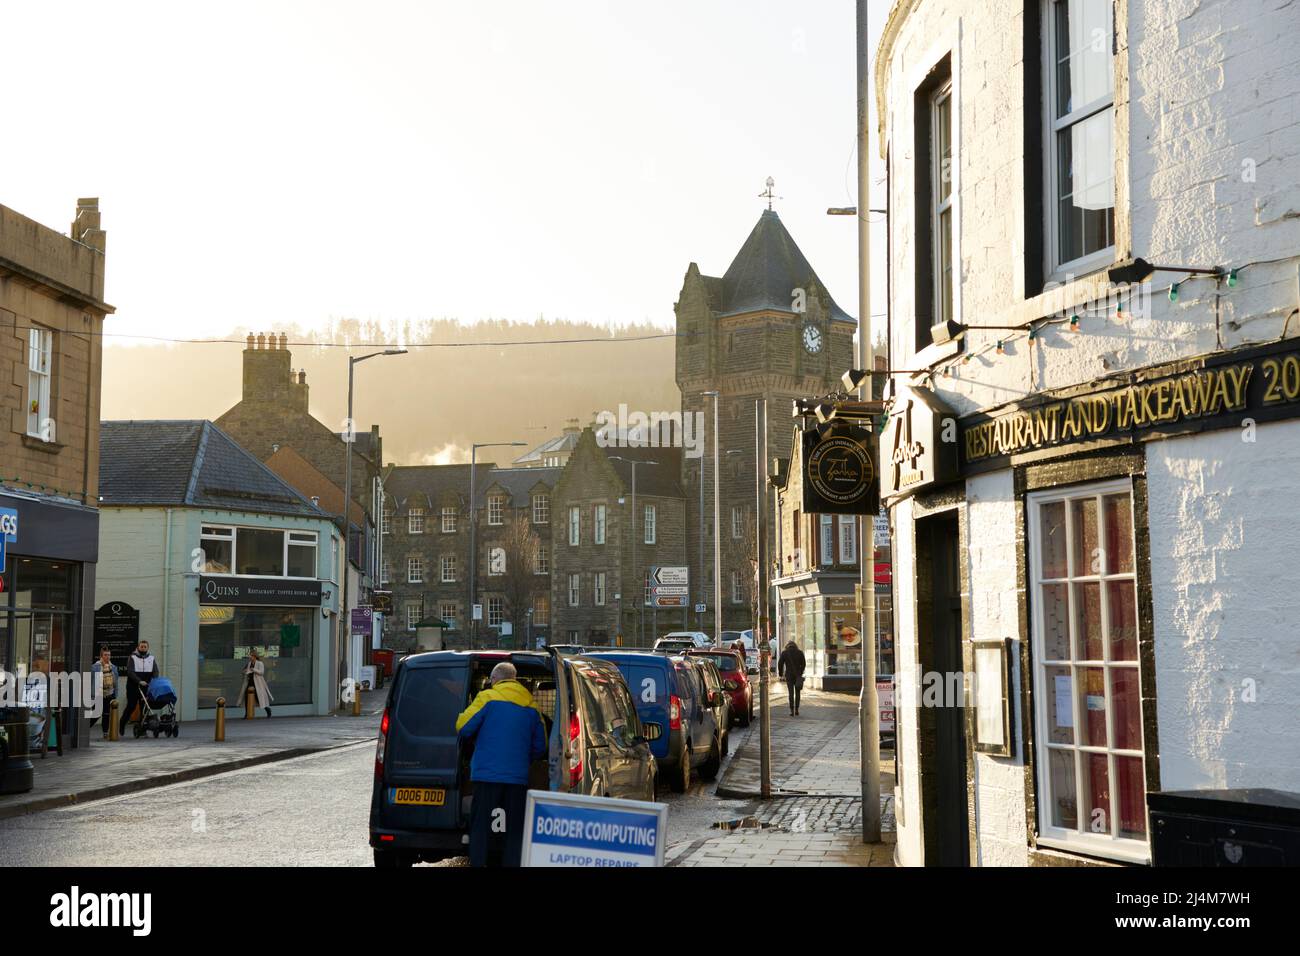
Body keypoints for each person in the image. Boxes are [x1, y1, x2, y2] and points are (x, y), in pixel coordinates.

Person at [455, 662, 546, 867]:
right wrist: (523, 759)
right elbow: (541, 745)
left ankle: (479, 864)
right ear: (514, 679)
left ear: (495, 679)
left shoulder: (487, 697)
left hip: (486, 776)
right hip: (517, 778)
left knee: (480, 827)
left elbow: (464, 727)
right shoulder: (531, 704)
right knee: (515, 830)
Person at [119, 640, 159, 737]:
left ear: (147, 648)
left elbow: (155, 671)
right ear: (138, 647)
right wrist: (139, 681)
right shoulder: (132, 657)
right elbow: (130, 672)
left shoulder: (151, 658)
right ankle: (122, 724)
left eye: (145, 647)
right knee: (131, 706)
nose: (143, 648)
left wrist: (153, 680)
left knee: (144, 708)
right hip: (133, 686)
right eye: (141, 647)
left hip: (146, 686)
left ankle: (142, 729)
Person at [90, 647, 119, 739]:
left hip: (109, 693)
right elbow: (90, 680)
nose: (108, 657)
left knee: (106, 714)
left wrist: (115, 694)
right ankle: (85, 728)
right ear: (101, 656)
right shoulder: (95, 667)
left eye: (109, 655)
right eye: (105, 655)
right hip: (98, 694)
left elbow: (116, 682)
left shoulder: (113, 667)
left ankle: (105, 732)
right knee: (96, 714)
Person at [240, 648, 274, 717]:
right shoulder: (249, 663)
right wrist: (245, 671)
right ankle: (247, 713)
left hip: (258, 683)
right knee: (247, 697)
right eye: (250, 656)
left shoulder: (260, 663)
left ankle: (267, 709)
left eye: (251, 656)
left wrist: (254, 669)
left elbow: (262, 672)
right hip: (250, 682)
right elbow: (244, 670)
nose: (250, 657)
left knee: (259, 698)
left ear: (255, 656)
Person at [777, 639, 806, 716]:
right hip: (798, 675)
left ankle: (791, 710)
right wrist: (800, 672)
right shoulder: (800, 652)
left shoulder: (784, 653)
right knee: (798, 692)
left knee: (791, 693)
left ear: (787, 646)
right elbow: (803, 664)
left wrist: (780, 674)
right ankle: (797, 709)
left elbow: (780, 664)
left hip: (789, 675)